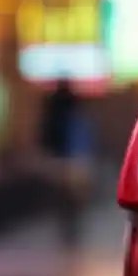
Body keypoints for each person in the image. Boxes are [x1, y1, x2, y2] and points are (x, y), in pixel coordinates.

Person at [39, 78, 92, 247]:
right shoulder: (76, 109)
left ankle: (66, 228)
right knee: (73, 195)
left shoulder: (52, 109)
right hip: (74, 156)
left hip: (59, 157)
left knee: (63, 195)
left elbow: (45, 134)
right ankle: (72, 227)